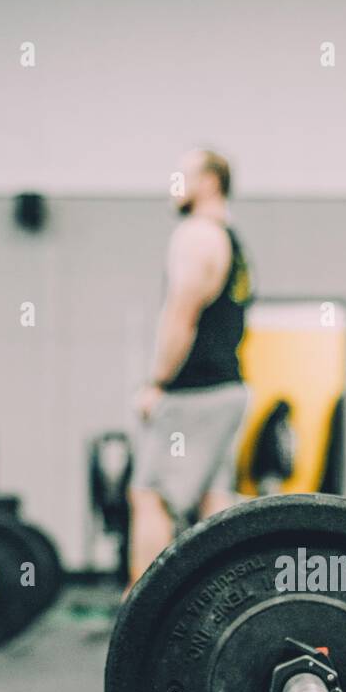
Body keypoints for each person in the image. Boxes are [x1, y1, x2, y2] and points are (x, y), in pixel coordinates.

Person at [129, 148, 252, 585]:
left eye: (182, 176)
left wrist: (157, 382)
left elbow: (181, 315)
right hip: (227, 389)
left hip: (192, 391)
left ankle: (140, 618)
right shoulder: (232, 240)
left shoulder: (196, 234)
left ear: (209, 182)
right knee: (212, 500)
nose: (174, 185)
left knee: (151, 497)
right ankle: (225, 605)